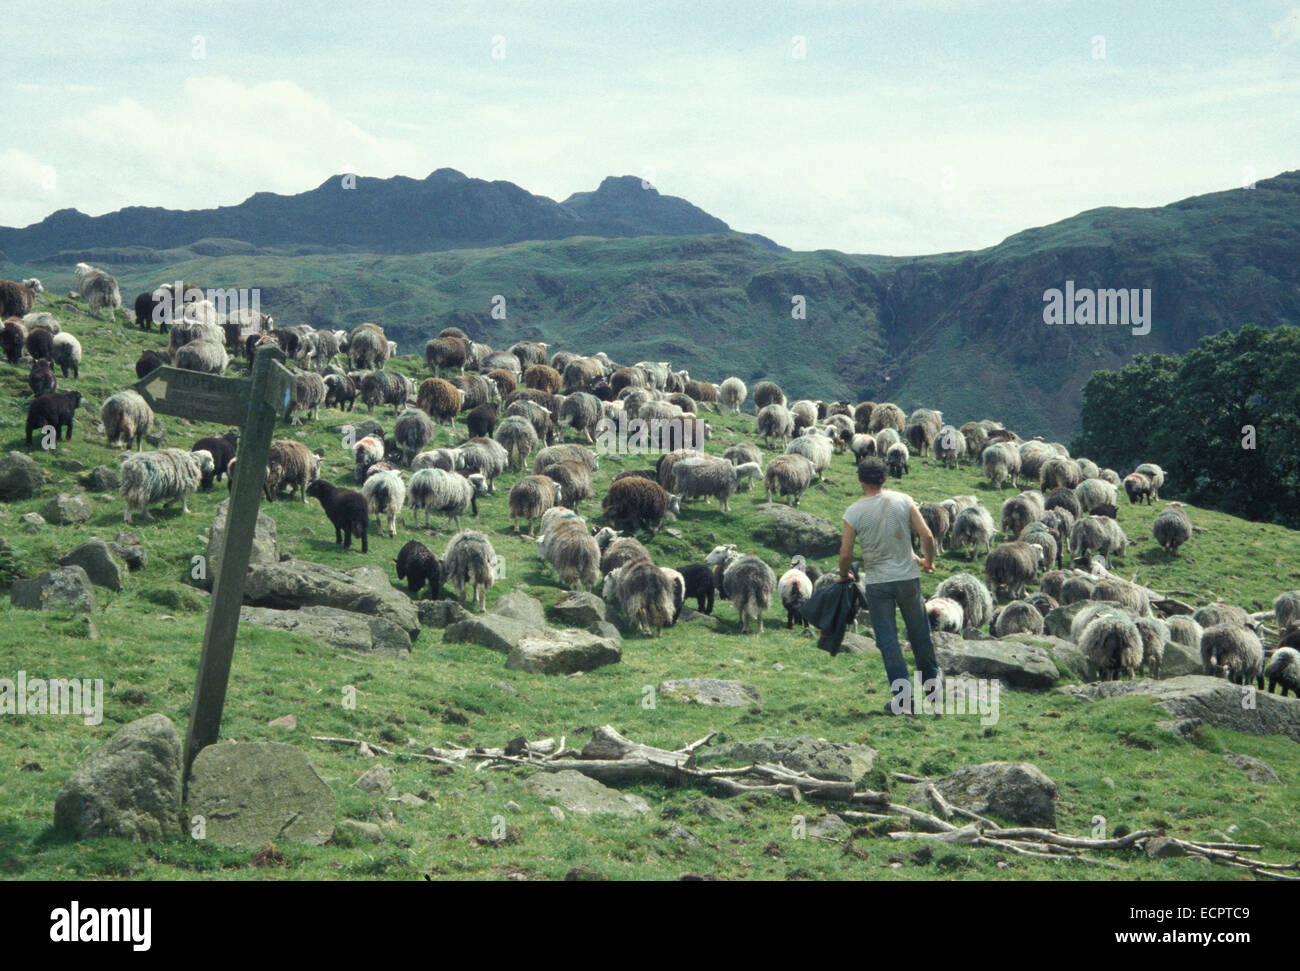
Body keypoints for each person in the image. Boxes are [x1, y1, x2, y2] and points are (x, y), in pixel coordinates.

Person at [837, 457, 942, 714]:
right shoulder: (903, 500)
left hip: (878, 583)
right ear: (885, 478)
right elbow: (927, 535)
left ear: (860, 479)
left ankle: (904, 700)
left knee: (888, 640)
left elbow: (846, 554)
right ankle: (934, 691)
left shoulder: (854, 512)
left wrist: (843, 575)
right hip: (907, 578)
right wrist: (927, 561)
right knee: (919, 634)